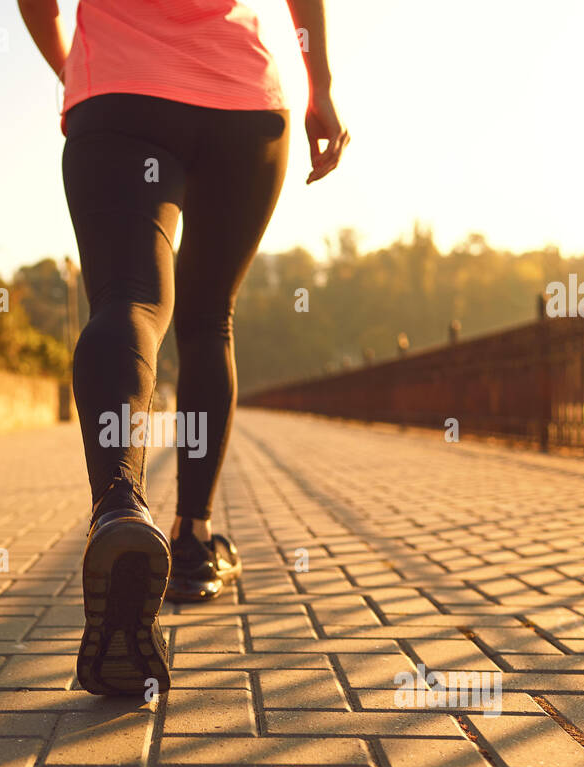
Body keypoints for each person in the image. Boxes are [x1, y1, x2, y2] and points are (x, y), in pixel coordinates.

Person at [18, 0, 348, 695]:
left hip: (119, 94)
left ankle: (117, 506)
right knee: (208, 321)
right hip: (243, 104)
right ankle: (192, 539)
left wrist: (74, 65)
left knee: (130, 298)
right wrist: (321, 86)